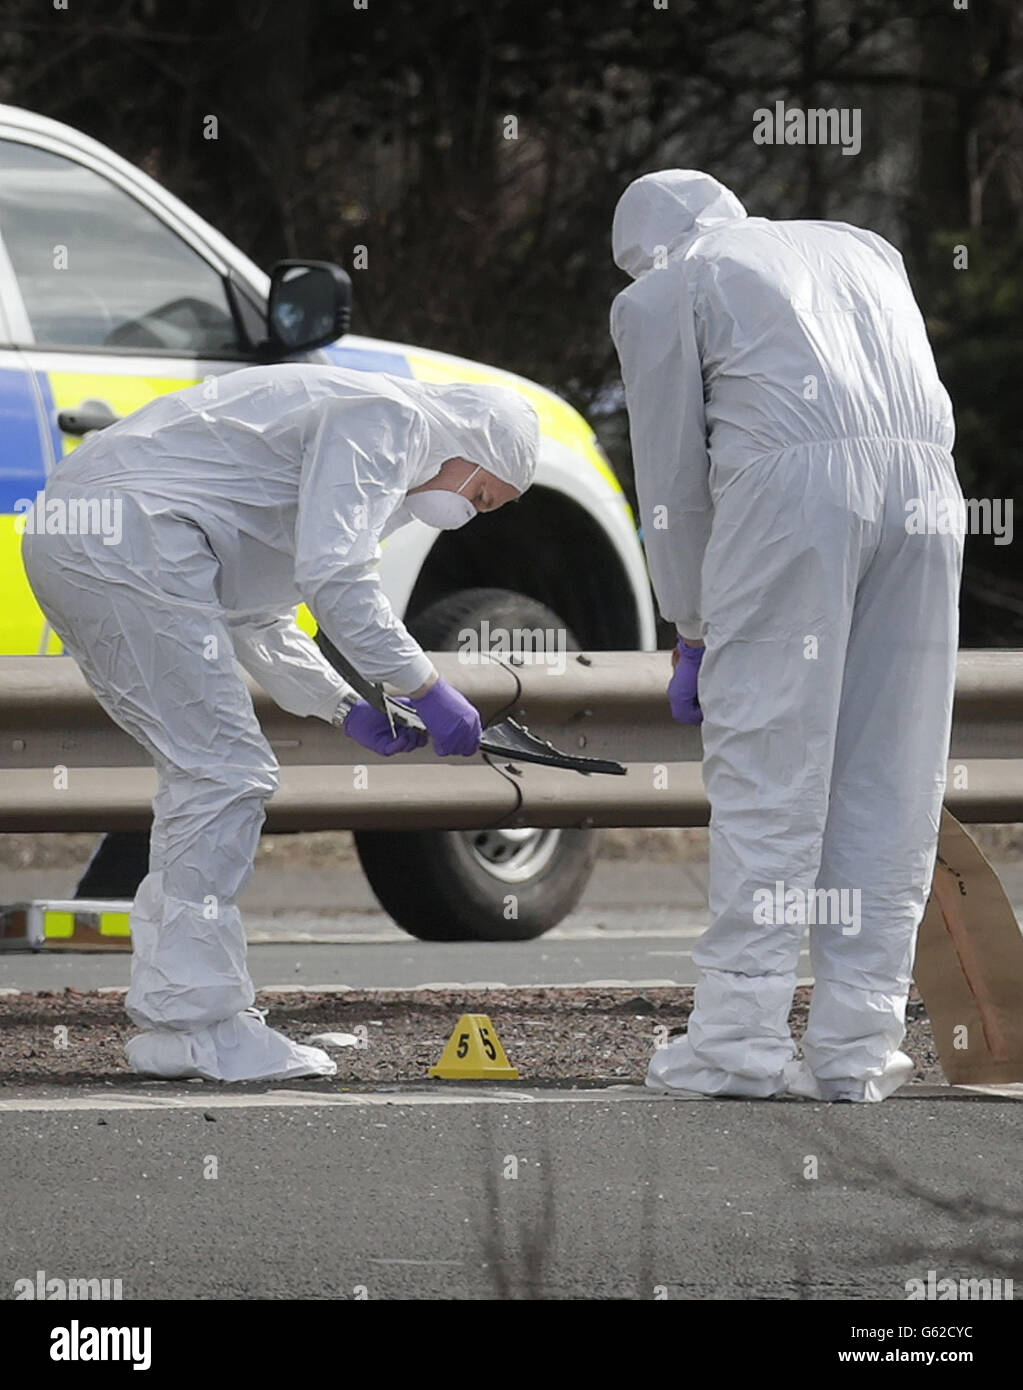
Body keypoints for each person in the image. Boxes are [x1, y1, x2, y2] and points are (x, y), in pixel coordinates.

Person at [23, 364, 539, 1082]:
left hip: (90, 538)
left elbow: (258, 613)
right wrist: (426, 686)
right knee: (224, 772)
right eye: (482, 495)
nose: (472, 511)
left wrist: (342, 706)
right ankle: (197, 1025)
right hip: (130, 540)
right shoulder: (386, 418)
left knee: (208, 773)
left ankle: (181, 1022)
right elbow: (337, 582)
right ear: (474, 441)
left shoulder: (367, 462)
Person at [611, 170, 964, 1102]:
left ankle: (736, 1041)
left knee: (770, 768)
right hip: (929, 493)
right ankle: (857, 1047)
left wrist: (689, 620)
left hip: (792, 494)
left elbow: (670, 477)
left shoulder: (668, 283)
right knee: (893, 769)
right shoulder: (861, 246)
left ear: (643, 249)